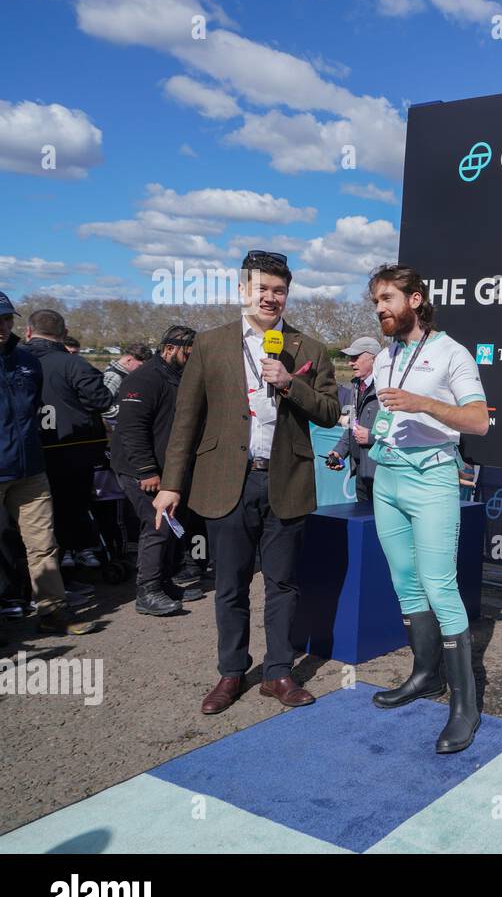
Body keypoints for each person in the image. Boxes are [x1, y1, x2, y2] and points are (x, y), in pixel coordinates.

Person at [154, 252, 339, 715]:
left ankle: (278, 673)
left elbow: (332, 412)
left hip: (286, 481)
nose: (271, 298)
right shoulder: (211, 345)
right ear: (243, 291)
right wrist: (172, 483)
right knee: (231, 585)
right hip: (225, 482)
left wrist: (290, 384)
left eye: (279, 291)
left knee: (283, 583)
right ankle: (231, 671)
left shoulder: (309, 349)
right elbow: (186, 422)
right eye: (262, 289)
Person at [364, 265, 489, 755]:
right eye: (376, 300)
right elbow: (383, 415)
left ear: (416, 299)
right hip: (387, 477)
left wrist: (423, 403)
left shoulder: (451, 353)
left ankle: (465, 705)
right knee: (405, 581)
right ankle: (424, 674)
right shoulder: (383, 357)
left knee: (440, 585)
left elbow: (478, 421)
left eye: (388, 298)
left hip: (432, 477)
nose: (380, 308)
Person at [0, 293, 92, 635]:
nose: (3, 325)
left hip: (30, 469)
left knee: (43, 542)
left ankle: (52, 609)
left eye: (8, 318)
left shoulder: (27, 361)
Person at [111, 326, 200, 616]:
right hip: (142, 470)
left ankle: (163, 580)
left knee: (173, 525)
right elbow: (131, 429)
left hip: (169, 470)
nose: (192, 359)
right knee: (157, 524)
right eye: (189, 353)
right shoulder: (144, 378)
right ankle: (147, 590)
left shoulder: (179, 377)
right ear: (170, 349)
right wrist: (147, 470)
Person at [24, 309, 113, 570]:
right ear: (63, 334)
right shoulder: (73, 363)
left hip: (26, 450)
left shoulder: (14, 360)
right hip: (72, 450)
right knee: (71, 505)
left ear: (29, 332)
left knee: (35, 514)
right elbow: (101, 399)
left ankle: (59, 560)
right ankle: (69, 554)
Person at [326, 336, 381, 502]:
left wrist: (371, 437)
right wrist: (339, 451)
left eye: (355, 358)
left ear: (374, 359)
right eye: (350, 358)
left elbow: (403, 431)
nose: (350, 363)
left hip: (383, 477)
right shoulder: (355, 387)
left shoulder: (388, 388)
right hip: (362, 477)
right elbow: (352, 427)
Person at [102, 344, 153, 421]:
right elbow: (101, 406)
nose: (142, 370)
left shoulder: (125, 376)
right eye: (140, 366)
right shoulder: (113, 376)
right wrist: (128, 411)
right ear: (129, 360)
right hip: (112, 427)